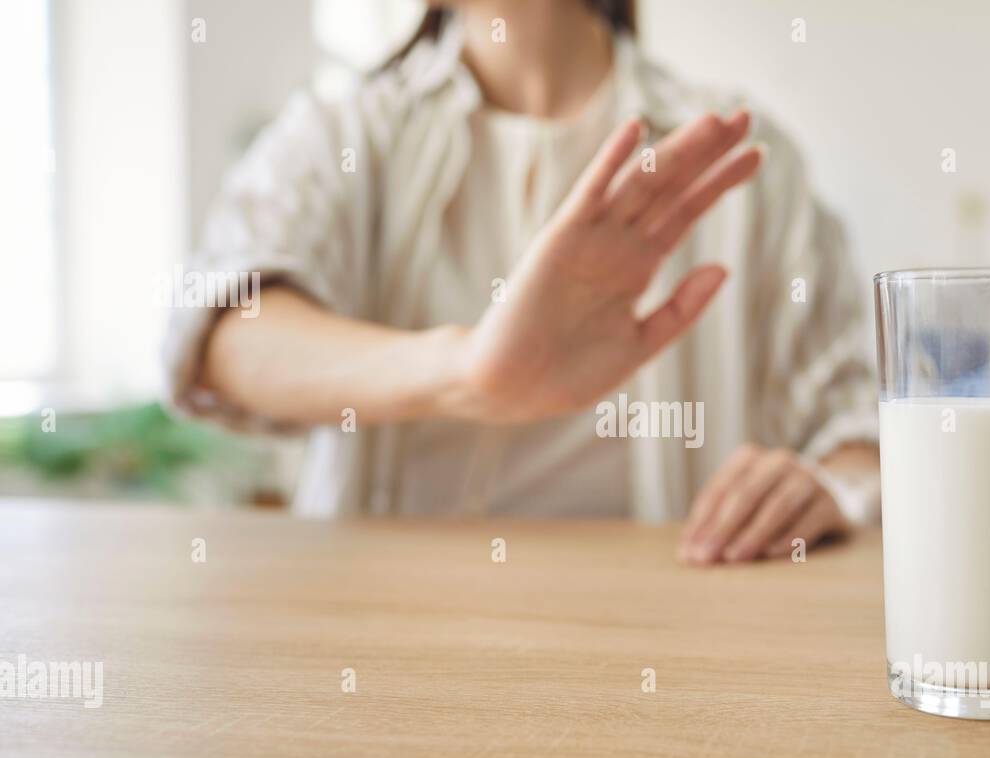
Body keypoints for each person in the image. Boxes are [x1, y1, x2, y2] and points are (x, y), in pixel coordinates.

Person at [164, 0, 879, 565]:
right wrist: (464, 371)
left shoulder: (742, 164)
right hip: (378, 653)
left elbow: (859, 437)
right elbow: (220, 327)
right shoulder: (344, 132)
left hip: (662, 652)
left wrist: (827, 493)